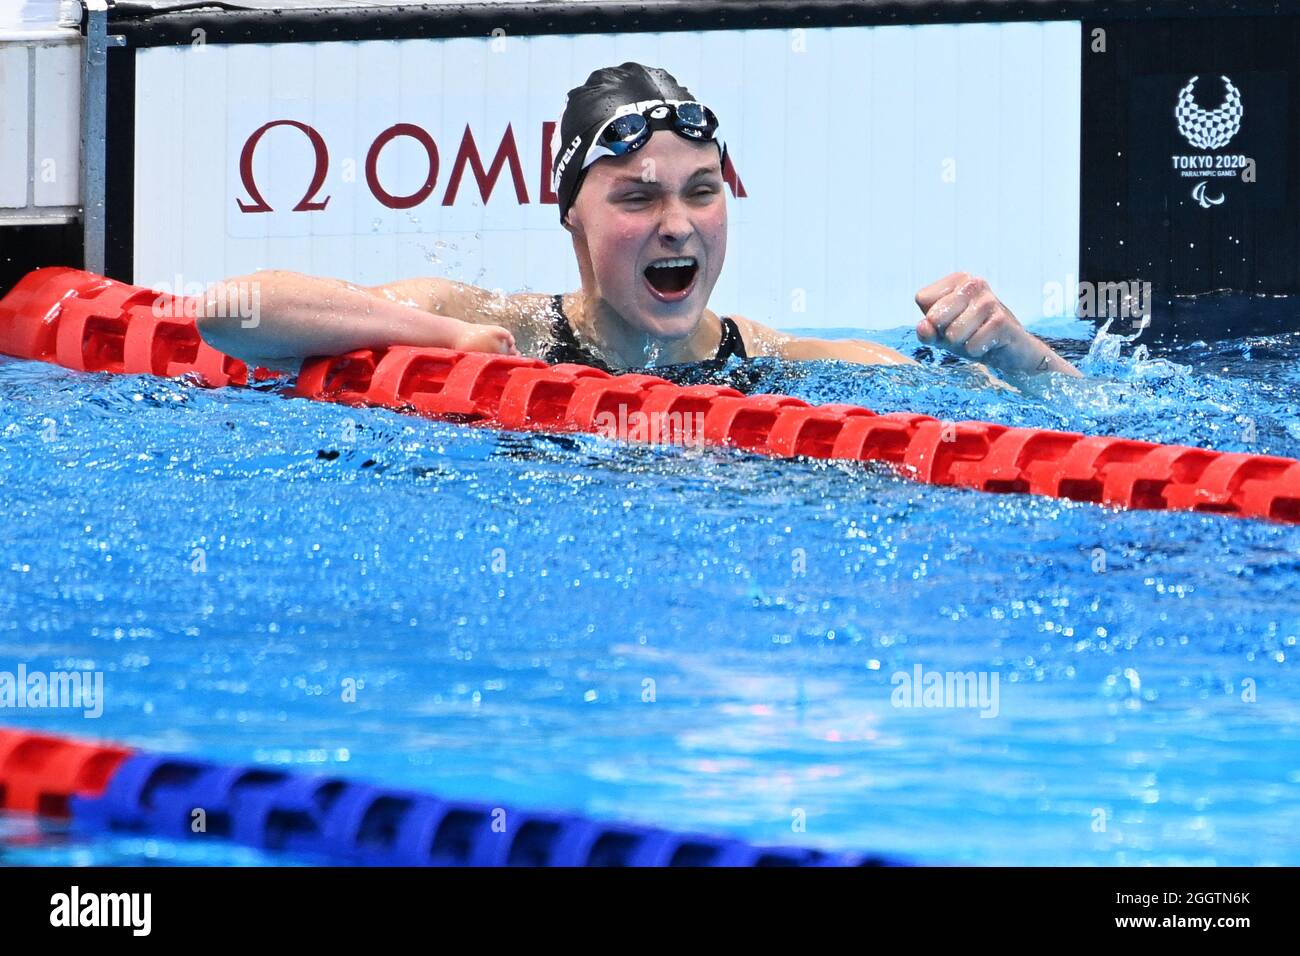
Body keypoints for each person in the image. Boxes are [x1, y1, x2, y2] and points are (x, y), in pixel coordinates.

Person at [196, 63, 1080, 383]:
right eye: (637, 197)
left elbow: (1065, 427)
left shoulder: (768, 359)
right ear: (569, 218)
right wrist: (444, 338)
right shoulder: (507, 326)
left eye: (702, 191)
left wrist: (1018, 353)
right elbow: (229, 310)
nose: (678, 225)